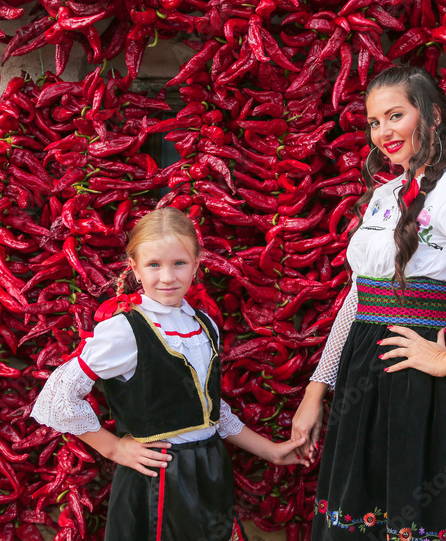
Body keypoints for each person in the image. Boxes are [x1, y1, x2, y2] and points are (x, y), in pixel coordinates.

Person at [291, 66, 446, 541]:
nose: (383, 132)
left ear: (431, 116)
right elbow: (357, 300)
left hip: (411, 379)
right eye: (373, 122)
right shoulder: (385, 195)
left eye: (394, 115)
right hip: (360, 374)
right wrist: (314, 392)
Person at [31, 207, 307, 541]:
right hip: (156, 477)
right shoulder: (125, 330)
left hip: (209, 470)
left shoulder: (203, 325)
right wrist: (113, 448)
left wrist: (269, 450)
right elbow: (57, 395)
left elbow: (210, 412)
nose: (167, 277)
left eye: (179, 263)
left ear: (197, 263)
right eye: (153, 265)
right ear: (134, 268)